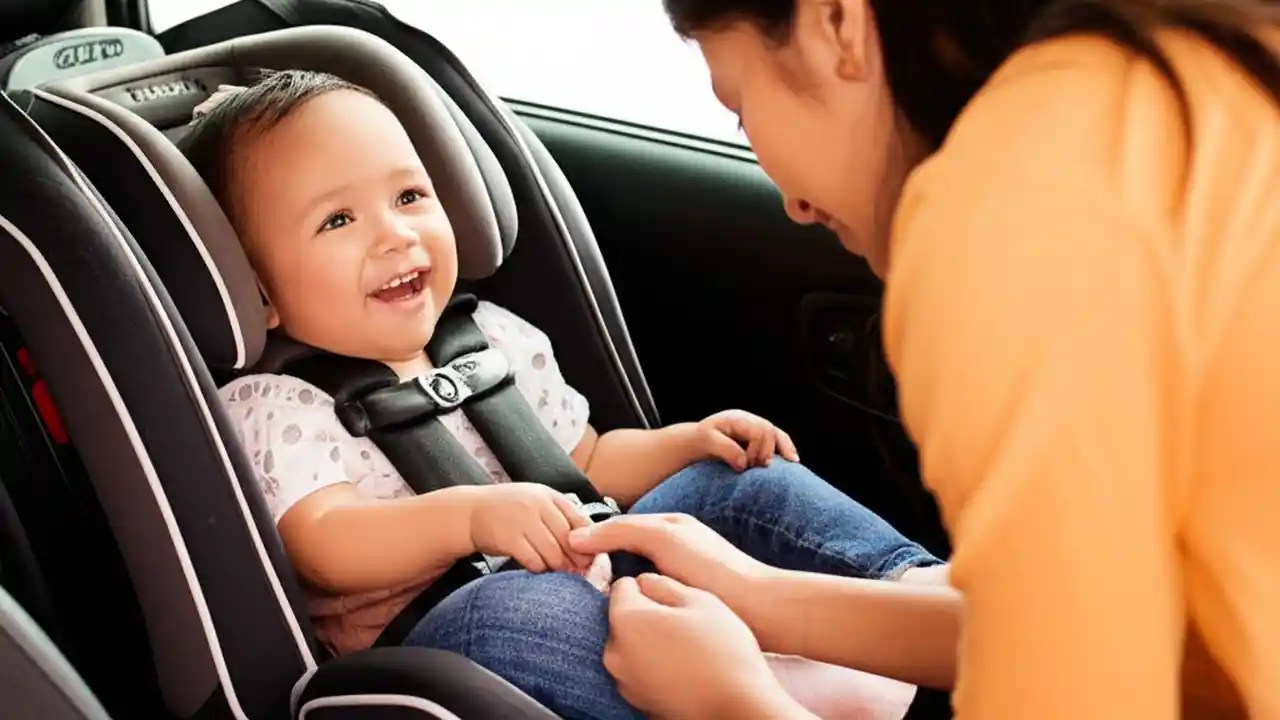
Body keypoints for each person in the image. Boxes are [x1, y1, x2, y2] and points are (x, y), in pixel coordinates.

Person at [566, 0, 1280, 718]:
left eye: (739, 108)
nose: (791, 205)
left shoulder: (1008, 217)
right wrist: (760, 598)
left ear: (837, 22)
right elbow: (1061, 618)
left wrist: (736, 701)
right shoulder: (1186, 84)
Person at [178, 69, 955, 720]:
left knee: (733, 483)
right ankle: (748, 689)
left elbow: (586, 459)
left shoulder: (493, 338)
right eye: (338, 219)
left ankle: (912, 596)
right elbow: (327, 542)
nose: (395, 235)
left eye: (410, 197)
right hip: (445, 629)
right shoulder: (276, 406)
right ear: (258, 292)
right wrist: (475, 517)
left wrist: (683, 442)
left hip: (591, 563)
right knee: (523, 610)